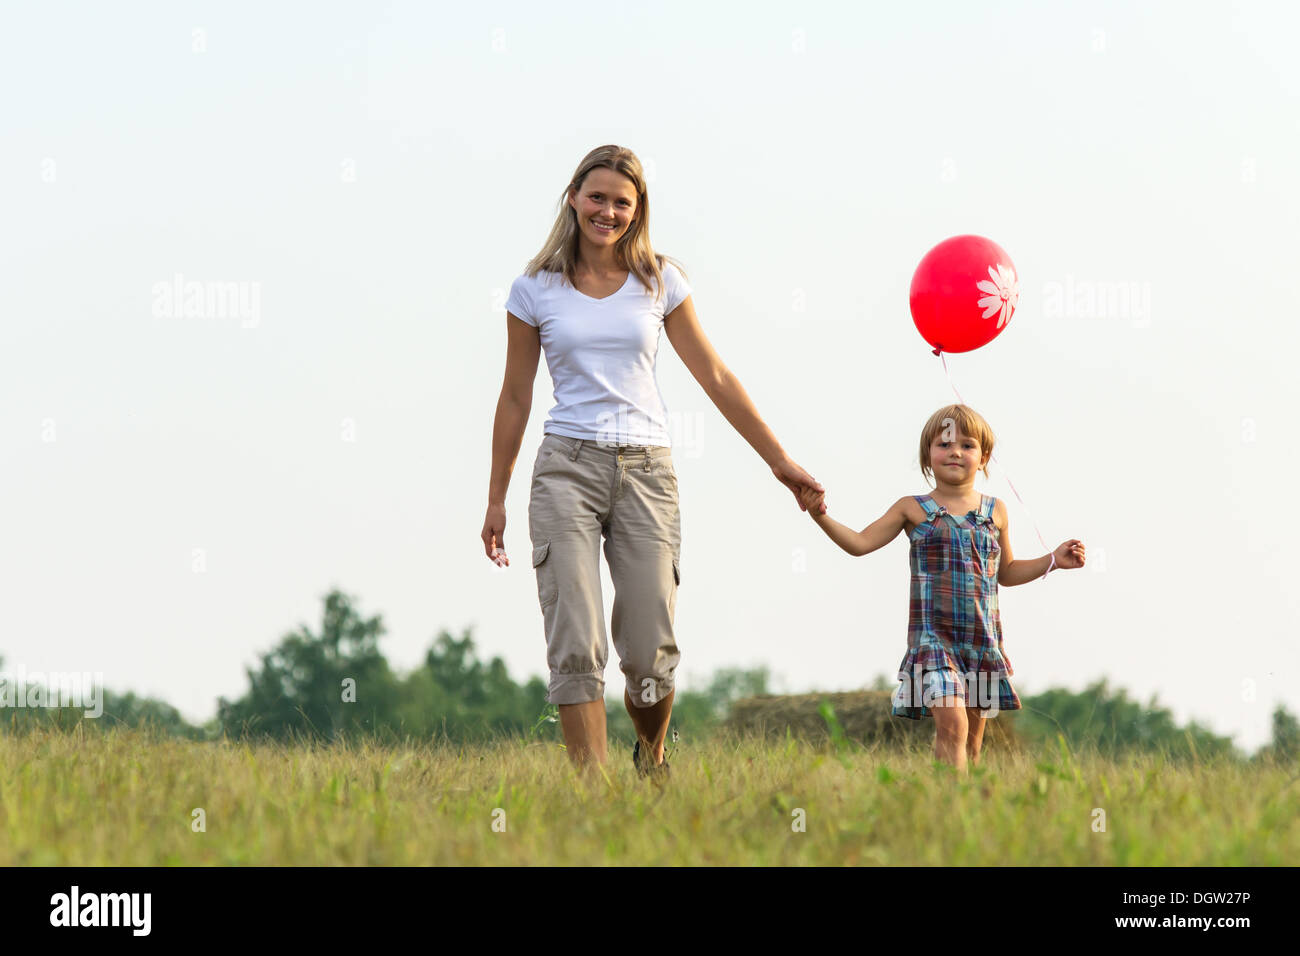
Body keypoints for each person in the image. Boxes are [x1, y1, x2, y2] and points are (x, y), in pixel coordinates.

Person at [482, 145, 826, 777]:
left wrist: (779, 461)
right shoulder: (534, 288)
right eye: (597, 197)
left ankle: (652, 756)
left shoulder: (660, 280)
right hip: (565, 468)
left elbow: (716, 375)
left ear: (637, 211)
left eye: (622, 202)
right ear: (573, 198)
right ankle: (594, 796)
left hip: (646, 471)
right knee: (576, 640)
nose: (607, 211)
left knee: (647, 650)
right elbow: (514, 396)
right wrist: (497, 495)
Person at [797, 403, 1085, 773]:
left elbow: (1007, 572)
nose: (955, 452)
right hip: (934, 641)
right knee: (953, 723)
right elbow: (858, 544)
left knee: (973, 745)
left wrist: (1052, 560)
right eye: (944, 444)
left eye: (967, 445)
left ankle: (955, 811)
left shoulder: (996, 511)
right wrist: (820, 514)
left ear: (984, 457)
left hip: (982, 643)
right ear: (927, 455)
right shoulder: (912, 509)